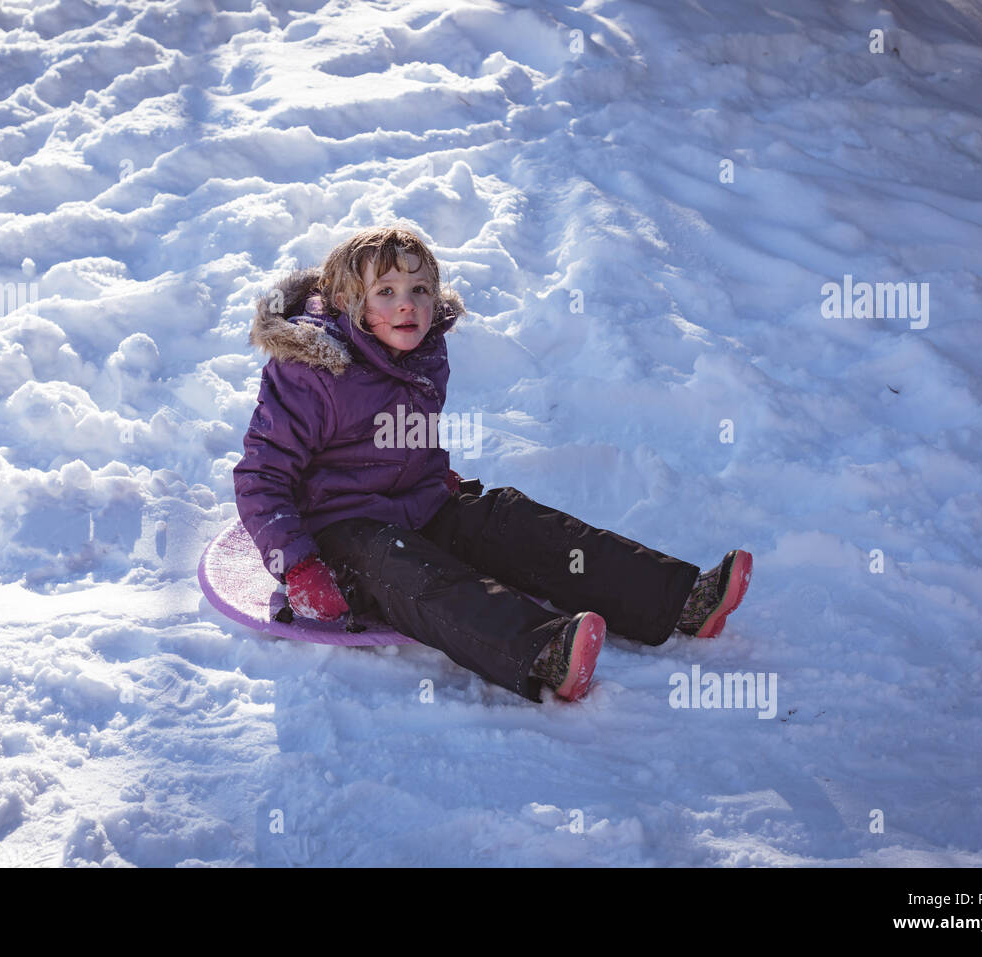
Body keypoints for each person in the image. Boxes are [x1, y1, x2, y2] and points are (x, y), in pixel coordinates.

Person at [232, 224, 752, 702]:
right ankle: (543, 652)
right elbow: (261, 476)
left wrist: (431, 476)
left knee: (512, 522)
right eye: (385, 292)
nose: (407, 305)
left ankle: (678, 598)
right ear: (346, 302)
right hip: (339, 532)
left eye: (419, 291)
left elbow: (400, 435)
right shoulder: (309, 372)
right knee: (415, 575)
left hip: (418, 504)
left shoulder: (420, 351)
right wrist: (299, 566)